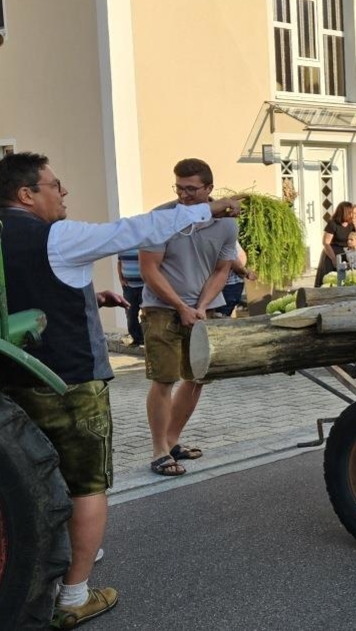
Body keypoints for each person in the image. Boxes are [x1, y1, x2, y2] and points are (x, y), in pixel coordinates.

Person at [0, 152, 241, 626]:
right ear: (27, 194)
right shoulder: (59, 236)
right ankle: (74, 597)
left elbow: (17, 288)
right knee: (87, 485)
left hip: (5, 381)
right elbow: (137, 230)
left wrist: (90, 294)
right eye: (54, 184)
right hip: (69, 380)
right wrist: (210, 208)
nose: (62, 192)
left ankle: (57, 557)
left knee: (36, 475)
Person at [140, 158, 238, 477]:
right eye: (179, 188)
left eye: (192, 189)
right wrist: (181, 307)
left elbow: (223, 270)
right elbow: (149, 269)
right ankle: (158, 451)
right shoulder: (160, 217)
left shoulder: (226, 223)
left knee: (196, 378)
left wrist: (200, 306)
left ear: (209, 189)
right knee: (164, 378)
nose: (184, 195)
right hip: (161, 308)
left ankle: (172, 440)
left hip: (199, 309)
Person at [314, 200, 355, 287]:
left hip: (345, 255)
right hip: (332, 255)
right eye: (350, 212)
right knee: (330, 281)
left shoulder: (351, 225)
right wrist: (334, 259)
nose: (352, 215)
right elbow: (326, 243)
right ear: (344, 212)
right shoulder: (333, 224)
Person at [213, 241, 256, 318]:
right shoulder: (222, 235)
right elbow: (235, 260)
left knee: (221, 316)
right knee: (221, 317)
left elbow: (235, 259)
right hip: (228, 286)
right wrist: (246, 274)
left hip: (227, 285)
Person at [116, 248, 144, 346]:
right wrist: (121, 280)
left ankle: (146, 339)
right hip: (128, 288)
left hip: (144, 287)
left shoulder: (142, 245)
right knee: (130, 315)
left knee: (147, 315)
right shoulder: (123, 247)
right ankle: (137, 339)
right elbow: (119, 263)